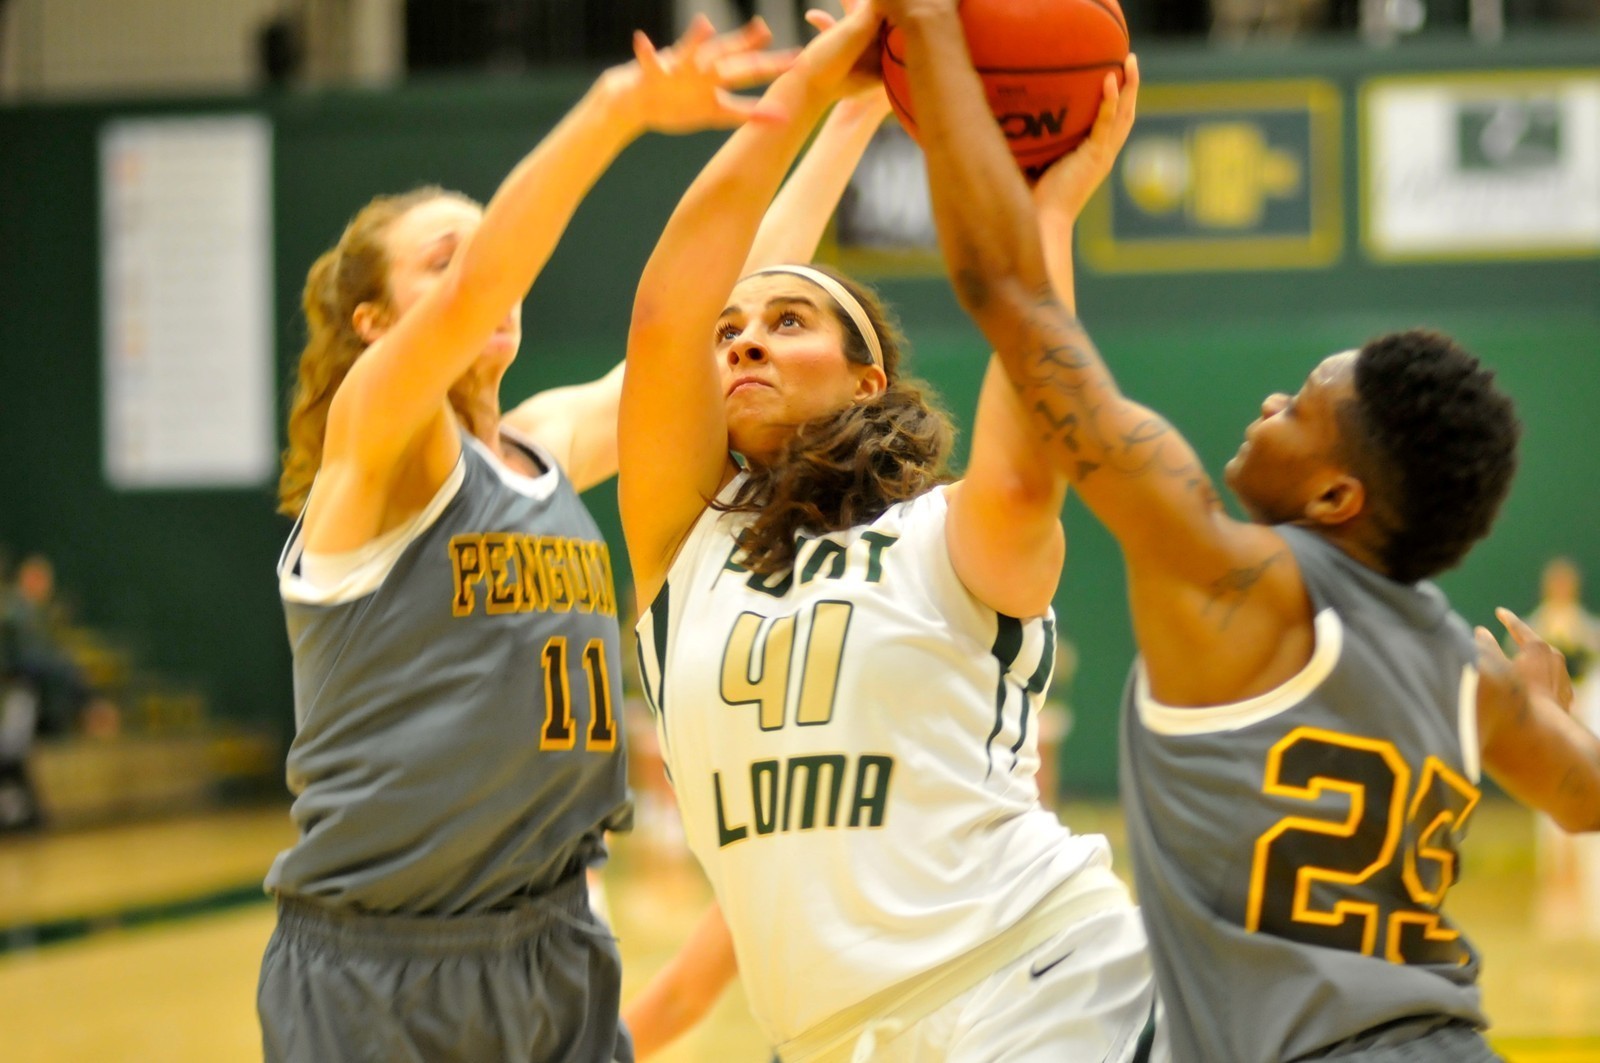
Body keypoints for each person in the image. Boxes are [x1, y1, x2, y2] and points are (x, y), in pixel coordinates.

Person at [882, 2, 1600, 1061]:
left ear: (1335, 498)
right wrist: (1547, 709)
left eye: (1301, 406)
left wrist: (936, 29)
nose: (1270, 400)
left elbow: (1005, 294)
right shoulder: (1468, 675)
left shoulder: (1222, 572)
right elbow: (1584, 797)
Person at [618, 4, 1161, 1060]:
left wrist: (1045, 214)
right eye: (730, 331)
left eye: (786, 322)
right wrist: (817, 79)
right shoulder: (685, 546)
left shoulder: (951, 532)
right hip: (827, 1039)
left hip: (1038, 985)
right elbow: (664, 312)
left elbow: (1035, 407)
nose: (742, 345)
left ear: (867, 378)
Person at [257, 18, 794, 1063]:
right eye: (445, 260)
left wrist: (827, 107)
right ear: (376, 325)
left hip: (553, 941)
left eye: (489, 240)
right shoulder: (374, 450)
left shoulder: (543, 446)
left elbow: (709, 314)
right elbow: (477, 291)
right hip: (383, 966)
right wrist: (615, 109)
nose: (485, 273)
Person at [1527, 556, 1600, 939]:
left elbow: (1590, 666)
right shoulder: (1537, 625)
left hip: (1580, 718)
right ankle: (1557, 884)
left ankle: (1584, 886)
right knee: (1550, 809)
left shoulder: (1584, 627)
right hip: (1550, 726)